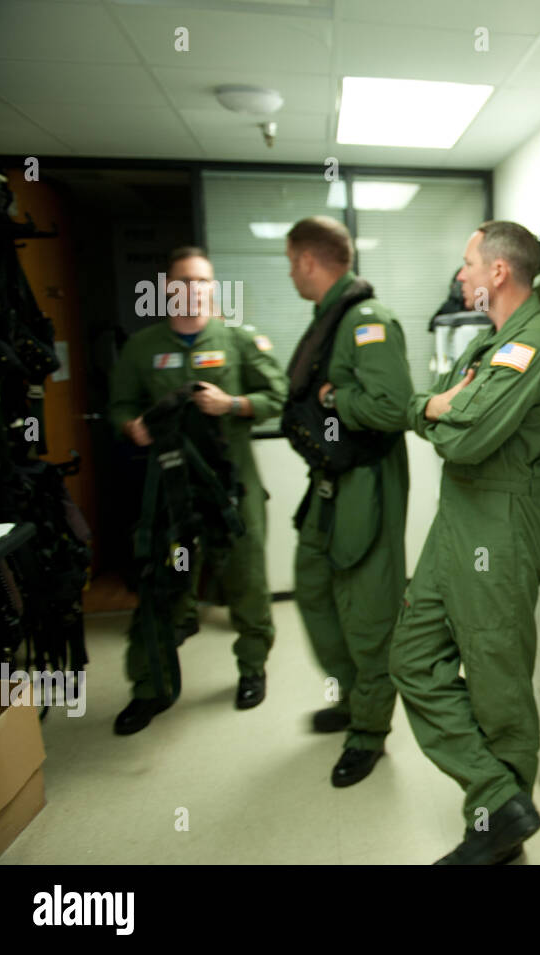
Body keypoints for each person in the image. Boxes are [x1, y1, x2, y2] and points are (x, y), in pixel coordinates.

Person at [390, 220, 540, 864]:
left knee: (497, 681)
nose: (461, 275)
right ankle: (500, 799)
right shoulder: (491, 345)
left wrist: (436, 412)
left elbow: (462, 438)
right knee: (412, 659)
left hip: (497, 522)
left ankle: (497, 832)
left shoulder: (535, 349)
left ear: (499, 271)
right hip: (458, 519)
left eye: (469, 263)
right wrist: (436, 409)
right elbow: (441, 413)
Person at [108, 246, 287, 733]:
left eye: (203, 282)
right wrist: (132, 427)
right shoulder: (143, 347)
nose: (194, 290)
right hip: (171, 492)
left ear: (214, 288)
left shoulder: (237, 340)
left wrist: (232, 403)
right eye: (184, 281)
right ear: (168, 288)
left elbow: (279, 396)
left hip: (233, 490)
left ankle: (252, 667)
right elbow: (119, 406)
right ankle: (151, 687)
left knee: (246, 581)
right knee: (163, 581)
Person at [284, 216, 411, 787]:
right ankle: (353, 696)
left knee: (369, 612)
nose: (290, 273)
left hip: (368, 483)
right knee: (312, 585)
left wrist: (337, 397)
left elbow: (392, 407)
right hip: (329, 484)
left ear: (309, 260)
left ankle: (369, 732)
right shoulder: (328, 320)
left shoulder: (366, 321)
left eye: (291, 262)